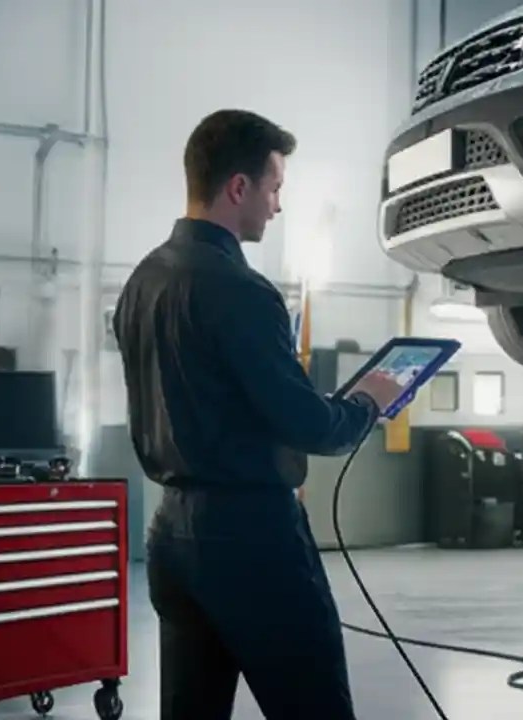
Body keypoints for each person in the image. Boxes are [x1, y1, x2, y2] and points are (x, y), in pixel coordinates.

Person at [112, 108, 406, 719]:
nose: (278, 206)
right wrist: (369, 401)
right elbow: (309, 423)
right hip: (252, 542)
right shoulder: (240, 290)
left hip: (172, 536)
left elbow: (209, 402)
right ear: (238, 187)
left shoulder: (141, 282)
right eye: (274, 189)